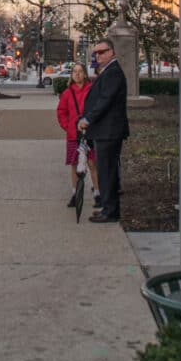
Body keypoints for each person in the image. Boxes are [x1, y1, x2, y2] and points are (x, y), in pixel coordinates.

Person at [77, 38, 129, 223]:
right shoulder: (107, 71)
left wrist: (87, 119)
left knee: (107, 172)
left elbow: (105, 100)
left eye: (102, 52)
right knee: (105, 171)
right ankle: (108, 207)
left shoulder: (113, 72)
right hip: (105, 131)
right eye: (96, 53)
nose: (98, 56)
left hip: (109, 131)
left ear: (112, 52)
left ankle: (110, 211)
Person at [56, 63, 99, 209]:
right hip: (74, 135)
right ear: (72, 75)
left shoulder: (92, 90)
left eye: (80, 71)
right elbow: (61, 112)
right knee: (74, 165)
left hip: (90, 133)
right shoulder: (67, 93)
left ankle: (97, 193)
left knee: (93, 164)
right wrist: (67, 126)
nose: (77, 74)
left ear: (85, 74)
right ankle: (74, 194)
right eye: (75, 72)